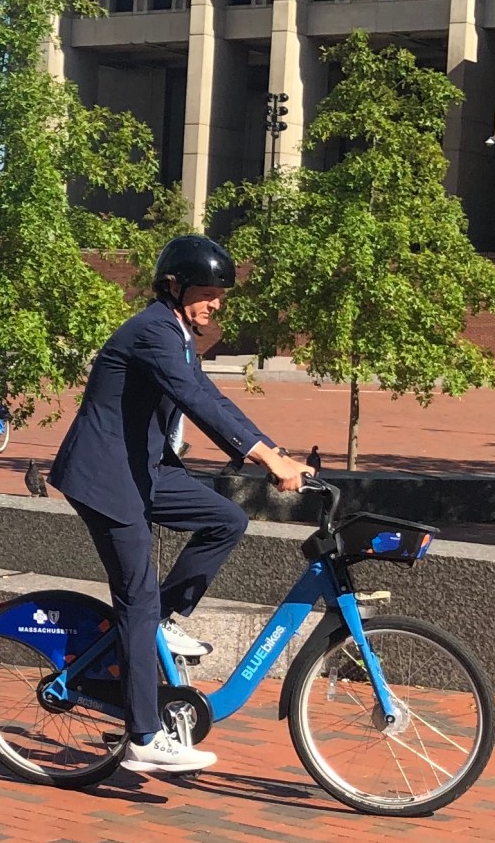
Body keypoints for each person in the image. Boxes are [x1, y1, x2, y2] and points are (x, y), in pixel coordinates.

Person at [49, 235, 315, 776]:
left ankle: (163, 617)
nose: (215, 303)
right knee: (137, 596)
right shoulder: (153, 331)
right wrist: (267, 459)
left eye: (220, 295)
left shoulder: (178, 335)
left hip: (144, 470)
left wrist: (275, 452)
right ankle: (144, 737)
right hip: (107, 478)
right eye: (207, 293)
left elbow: (211, 397)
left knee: (225, 519)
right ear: (173, 286)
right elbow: (193, 400)